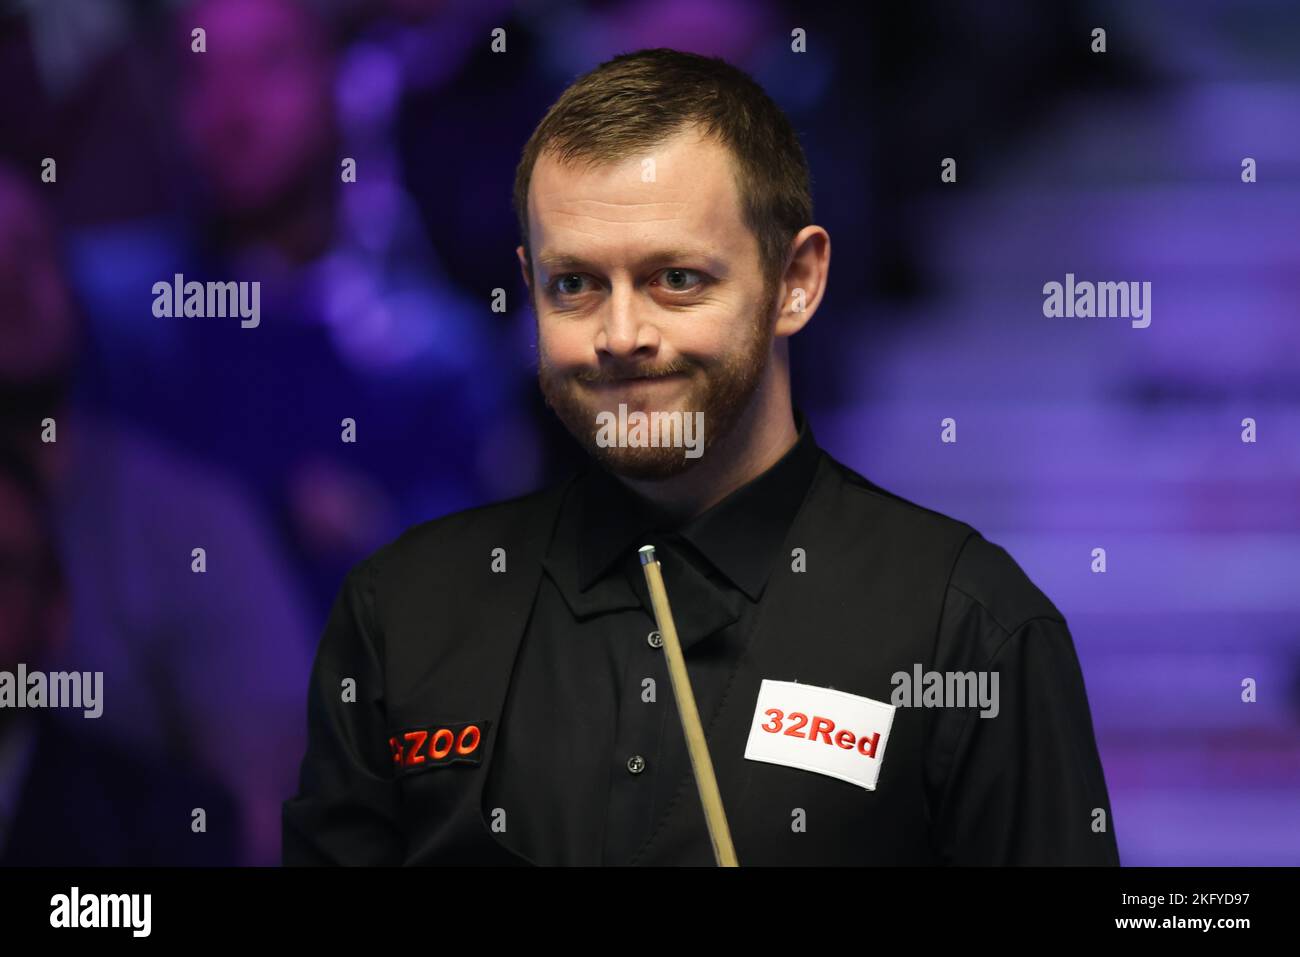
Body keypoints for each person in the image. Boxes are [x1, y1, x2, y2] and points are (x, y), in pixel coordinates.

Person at [283, 48, 1120, 866]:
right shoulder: (401, 614)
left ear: (797, 279)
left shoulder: (967, 629)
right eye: (573, 284)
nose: (620, 336)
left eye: (676, 278)